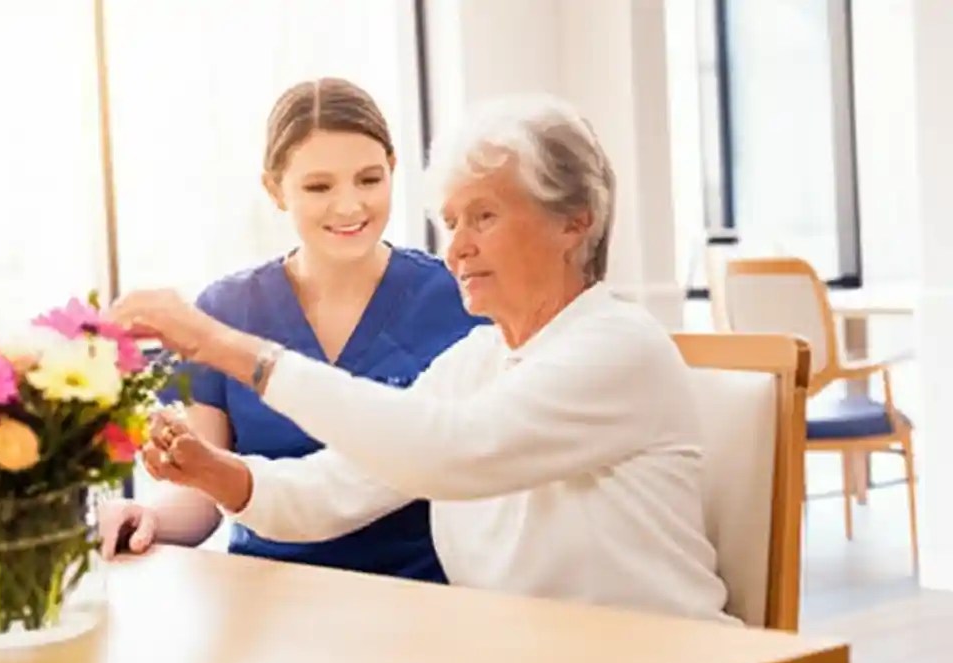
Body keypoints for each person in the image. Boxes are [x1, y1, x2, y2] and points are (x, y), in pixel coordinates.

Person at [107, 93, 736, 624]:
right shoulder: (480, 358)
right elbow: (336, 487)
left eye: (484, 217)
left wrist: (225, 346)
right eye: (452, 221)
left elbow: (449, 451)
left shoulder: (617, 346)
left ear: (575, 222)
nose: (456, 248)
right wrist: (212, 471)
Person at [100, 77, 483, 583]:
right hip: (267, 600)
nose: (349, 206)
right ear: (275, 189)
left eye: (368, 180)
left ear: (393, 169)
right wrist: (150, 518)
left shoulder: (458, 299)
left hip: (420, 596)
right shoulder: (224, 313)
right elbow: (201, 486)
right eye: (319, 186)